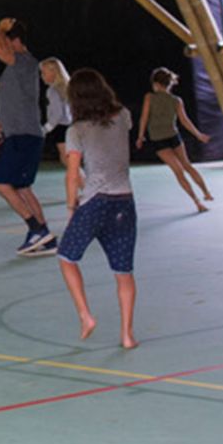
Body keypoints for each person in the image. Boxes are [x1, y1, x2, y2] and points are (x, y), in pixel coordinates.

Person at [58, 68, 140, 349]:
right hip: (124, 201)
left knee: (67, 256)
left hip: (95, 200)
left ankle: (85, 315)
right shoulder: (124, 117)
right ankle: (127, 335)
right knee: (124, 272)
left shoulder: (76, 131)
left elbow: (72, 174)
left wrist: (72, 208)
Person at [0, 18, 53, 255]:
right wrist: (0, 124)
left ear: (14, 41)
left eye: (7, 40)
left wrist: (0, 28)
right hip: (21, 133)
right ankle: (45, 238)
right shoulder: (16, 68)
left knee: (2, 185)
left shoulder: (24, 62)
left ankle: (36, 229)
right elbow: (17, 101)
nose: (2, 46)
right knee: (23, 188)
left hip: (23, 136)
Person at [137, 67, 213, 213]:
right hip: (173, 136)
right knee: (187, 166)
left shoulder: (150, 97)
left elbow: (144, 118)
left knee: (179, 171)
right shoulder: (176, 100)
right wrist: (198, 135)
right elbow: (185, 121)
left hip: (160, 140)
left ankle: (198, 202)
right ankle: (206, 193)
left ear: (156, 83)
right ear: (168, 84)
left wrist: (141, 136)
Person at [40, 57, 72, 164]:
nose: (42, 76)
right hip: (69, 127)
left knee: (67, 160)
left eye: (44, 72)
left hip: (61, 128)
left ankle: (82, 180)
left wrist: (45, 129)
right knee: (68, 159)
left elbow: (57, 114)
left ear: (54, 73)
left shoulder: (52, 91)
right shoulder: (67, 88)